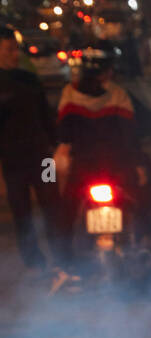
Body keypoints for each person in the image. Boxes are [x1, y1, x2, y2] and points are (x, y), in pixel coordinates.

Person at [53, 42, 151, 267]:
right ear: (107, 71)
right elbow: (132, 133)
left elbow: (63, 133)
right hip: (120, 167)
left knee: (66, 210)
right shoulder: (119, 94)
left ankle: (63, 264)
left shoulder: (69, 94)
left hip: (84, 170)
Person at [0, 29, 60, 275]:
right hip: (14, 162)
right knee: (22, 211)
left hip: (43, 157)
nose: (15, 54)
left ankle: (62, 254)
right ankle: (35, 262)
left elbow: (46, 115)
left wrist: (59, 145)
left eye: (16, 48)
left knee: (53, 204)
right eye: (9, 49)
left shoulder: (30, 79)